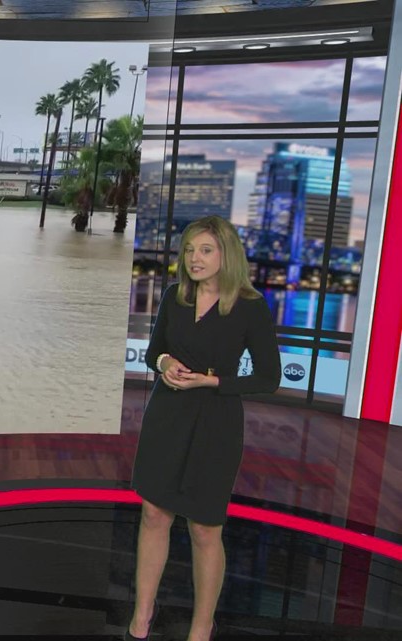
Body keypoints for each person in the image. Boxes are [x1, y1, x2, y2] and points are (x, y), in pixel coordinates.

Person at [126, 215, 281, 641]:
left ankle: (201, 625)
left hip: (216, 420)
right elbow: (154, 351)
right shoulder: (175, 295)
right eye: (190, 249)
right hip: (167, 414)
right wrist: (163, 364)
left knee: (204, 527)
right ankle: (142, 614)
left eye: (205, 250)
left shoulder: (250, 305)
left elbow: (269, 377)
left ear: (226, 254)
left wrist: (213, 381)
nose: (195, 258)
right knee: (154, 513)